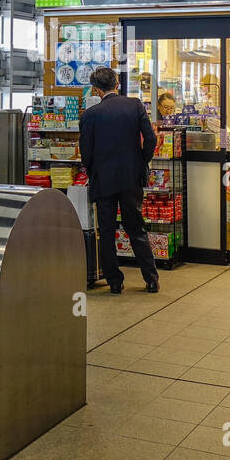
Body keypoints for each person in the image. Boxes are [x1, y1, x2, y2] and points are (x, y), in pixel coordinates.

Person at [80, 66, 160, 293]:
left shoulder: (90, 115)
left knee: (106, 230)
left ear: (95, 90)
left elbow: (86, 154)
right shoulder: (134, 105)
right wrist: (141, 161)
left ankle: (115, 282)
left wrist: (95, 168)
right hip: (130, 178)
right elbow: (151, 139)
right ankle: (151, 278)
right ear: (116, 83)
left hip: (103, 180)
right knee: (136, 228)